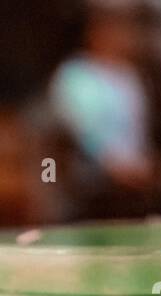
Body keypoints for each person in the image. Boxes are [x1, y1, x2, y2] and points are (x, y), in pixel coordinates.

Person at [49, 3, 154, 216]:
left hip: (133, 183)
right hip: (91, 186)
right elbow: (79, 131)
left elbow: (138, 130)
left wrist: (142, 164)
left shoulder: (128, 74)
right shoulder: (75, 75)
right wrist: (114, 167)